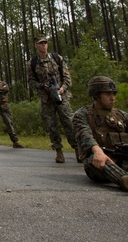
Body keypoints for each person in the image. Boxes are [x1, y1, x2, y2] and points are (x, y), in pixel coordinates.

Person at [27, 35, 78, 163]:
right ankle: (59, 151)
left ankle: (78, 150)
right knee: (51, 126)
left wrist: (62, 88)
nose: (43, 45)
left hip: (62, 97)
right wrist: (42, 86)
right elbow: (31, 82)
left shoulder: (57, 58)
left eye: (45, 43)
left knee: (69, 123)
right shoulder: (32, 63)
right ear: (36, 46)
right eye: (41, 43)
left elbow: (67, 78)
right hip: (46, 99)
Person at [0, 68, 24, 149]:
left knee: (9, 123)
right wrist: (0, 91)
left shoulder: (3, 83)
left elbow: (6, 89)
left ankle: (15, 142)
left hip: (4, 105)